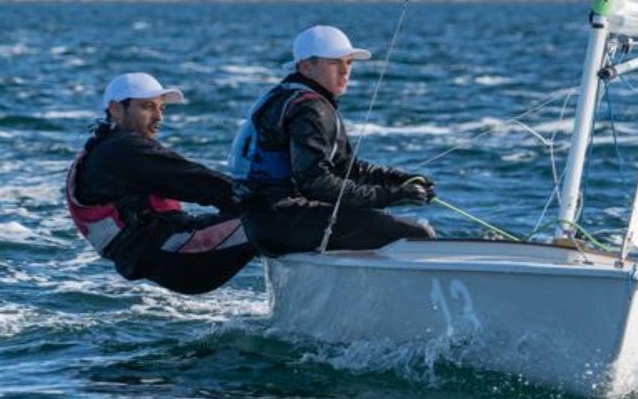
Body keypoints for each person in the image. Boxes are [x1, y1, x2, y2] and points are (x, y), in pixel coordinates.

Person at [229, 25, 434, 256]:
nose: (345, 71)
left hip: (263, 223)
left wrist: (399, 181)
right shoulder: (310, 108)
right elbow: (315, 182)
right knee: (416, 235)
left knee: (381, 222)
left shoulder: (287, 96)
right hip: (284, 222)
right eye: (335, 63)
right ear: (307, 67)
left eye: (349, 63)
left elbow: (347, 168)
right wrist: (388, 196)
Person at [66, 72, 256, 294]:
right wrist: (269, 199)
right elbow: (198, 181)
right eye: (147, 107)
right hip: (176, 256)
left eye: (161, 108)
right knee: (275, 218)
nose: (159, 117)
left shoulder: (105, 148)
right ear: (117, 110)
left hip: (166, 255)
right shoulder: (122, 150)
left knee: (270, 214)